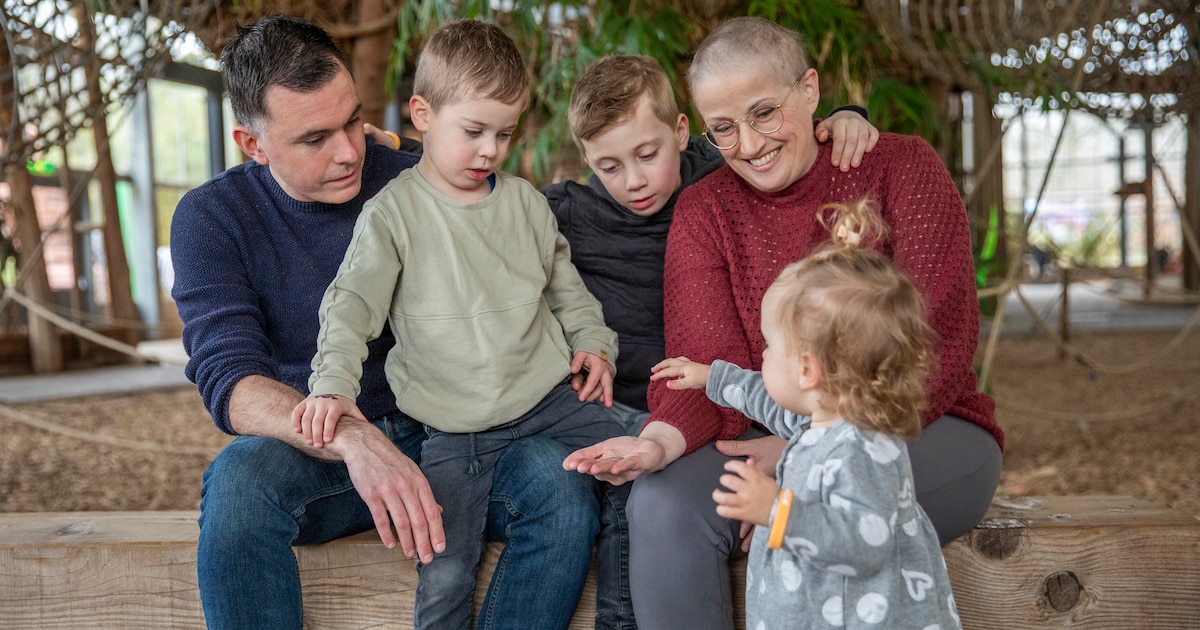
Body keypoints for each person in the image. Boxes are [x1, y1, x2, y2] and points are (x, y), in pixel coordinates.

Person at [564, 17, 1003, 630]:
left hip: (917, 429)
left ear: (811, 90)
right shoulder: (705, 209)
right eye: (724, 128)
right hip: (769, 433)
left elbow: (935, 352)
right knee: (662, 504)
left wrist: (804, 454)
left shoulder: (901, 167)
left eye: (765, 112)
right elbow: (704, 365)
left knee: (828, 495)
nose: (748, 142)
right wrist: (656, 442)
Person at [171, 15, 604, 630]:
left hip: (457, 431)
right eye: (314, 138)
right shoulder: (211, 218)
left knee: (559, 489)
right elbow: (229, 378)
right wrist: (350, 437)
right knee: (239, 485)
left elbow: (524, 233)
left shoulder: (418, 178)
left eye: (353, 120)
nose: (349, 151)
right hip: (323, 445)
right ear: (252, 143)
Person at [291, 19, 630, 630]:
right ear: (423, 113)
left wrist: (593, 343)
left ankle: (621, 617)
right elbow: (349, 309)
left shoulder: (525, 203)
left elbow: (566, 288)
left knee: (640, 458)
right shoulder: (393, 213)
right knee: (444, 569)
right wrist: (332, 386)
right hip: (453, 429)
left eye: (504, 133)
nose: (490, 151)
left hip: (551, 399)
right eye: (473, 131)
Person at [651, 201, 961, 629]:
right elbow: (769, 399)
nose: (762, 355)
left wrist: (776, 511)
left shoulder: (863, 449)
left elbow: (864, 542)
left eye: (768, 347)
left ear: (807, 371)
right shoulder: (825, 419)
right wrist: (711, 377)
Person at [543, 54, 879, 435]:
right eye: (609, 167)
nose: (634, 180)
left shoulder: (723, 184)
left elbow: (788, 156)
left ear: (681, 131)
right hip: (606, 402)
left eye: (648, 155)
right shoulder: (566, 212)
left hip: (718, 399)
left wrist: (847, 119)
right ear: (587, 159)